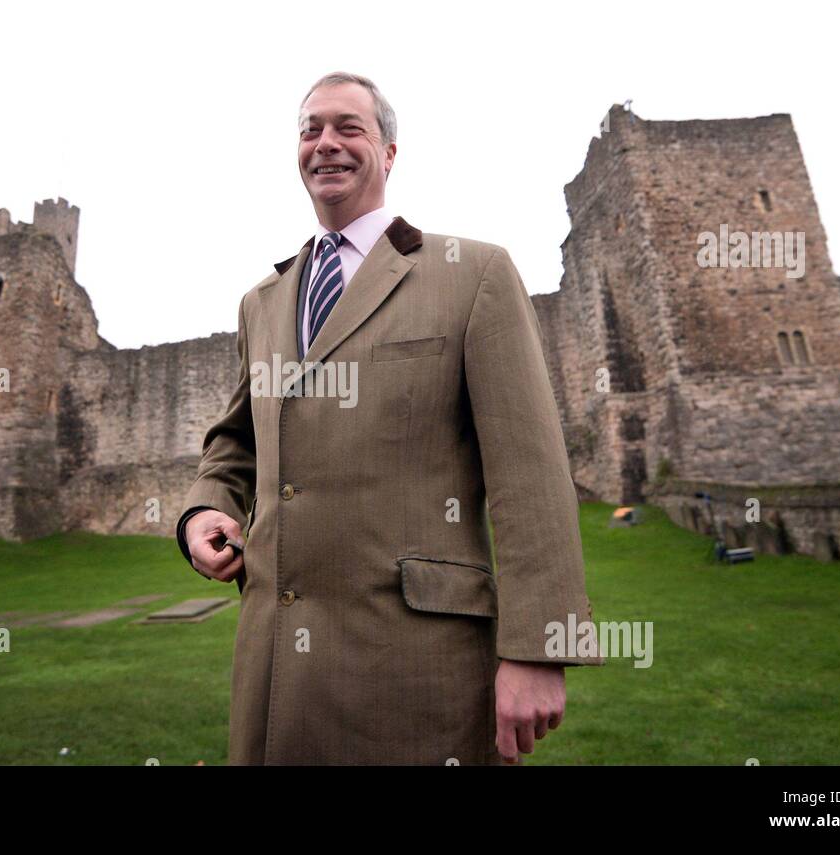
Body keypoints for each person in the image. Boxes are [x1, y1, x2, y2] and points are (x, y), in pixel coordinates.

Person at [176, 71, 601, 765]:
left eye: (349, 127)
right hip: (275, 670)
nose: (326, 144)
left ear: (390, 152)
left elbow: (529, 471)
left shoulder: (473, 274)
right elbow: (233, 445)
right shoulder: (262, 302)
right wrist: (201, 511)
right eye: (311, 129)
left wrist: (540, 648)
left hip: (416, 670)